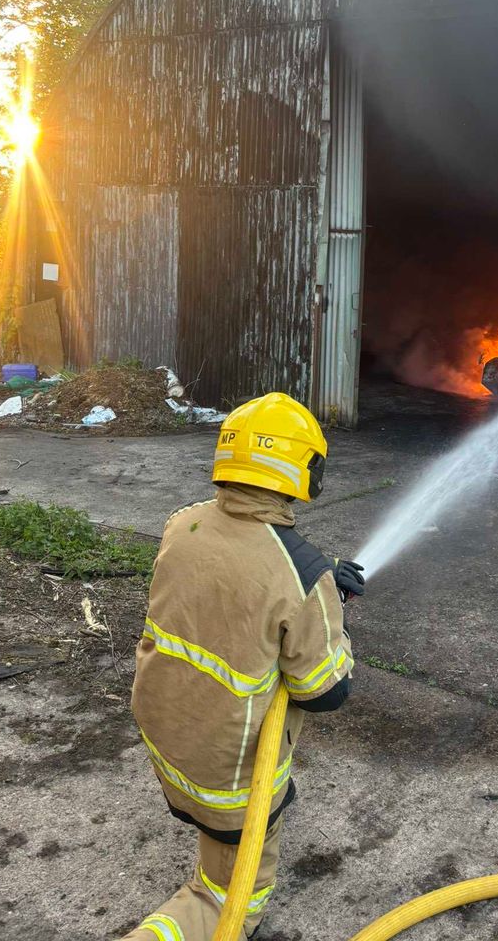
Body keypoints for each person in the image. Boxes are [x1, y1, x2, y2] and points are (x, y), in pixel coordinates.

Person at [122, 392, 364, 941]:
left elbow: (236, 579)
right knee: (229, 898)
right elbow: (324, 692)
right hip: (227, 771)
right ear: (303, 469)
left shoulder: (183, 524)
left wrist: (320, 582)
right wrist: (330, 616)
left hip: (167, 731)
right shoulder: (301, 575)